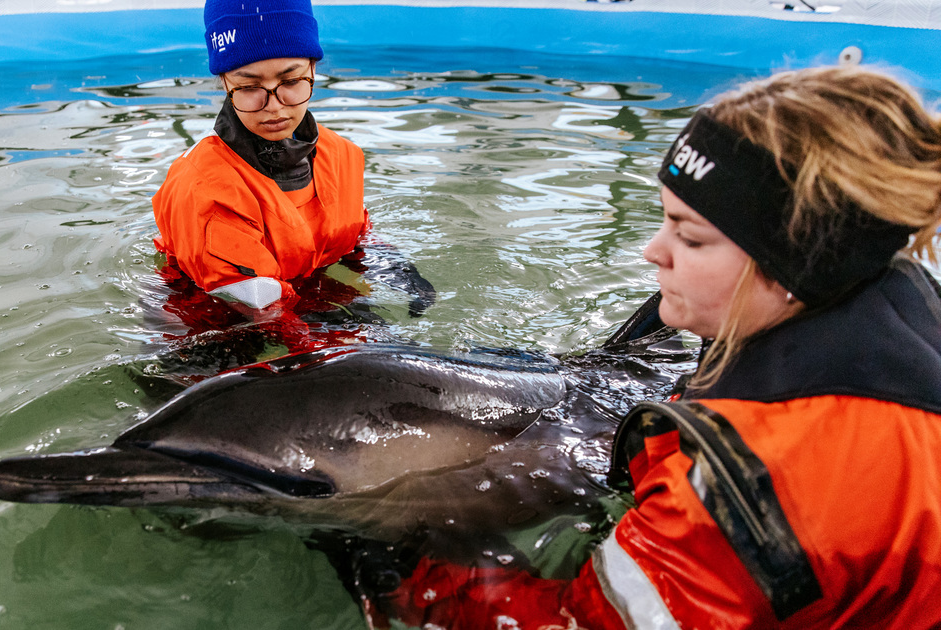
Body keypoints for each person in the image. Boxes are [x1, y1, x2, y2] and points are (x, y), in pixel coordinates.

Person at [366, 66, 941, 629]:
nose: (651, 251)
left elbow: (579, 622)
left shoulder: (740, 486)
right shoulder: (899, 299)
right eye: (665, 222)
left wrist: (407, 575)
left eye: (690, 236)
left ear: (793, 263)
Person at [152, 0, 370, 319]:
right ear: (225, 82)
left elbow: (359, 236)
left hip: (309, 298)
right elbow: (261, 311)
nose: (274, 107)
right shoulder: (204, 189)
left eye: (291, 81)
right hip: (215, 322)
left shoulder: (342, 155)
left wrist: (395, 268)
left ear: (312, 69)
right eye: (250, 86)